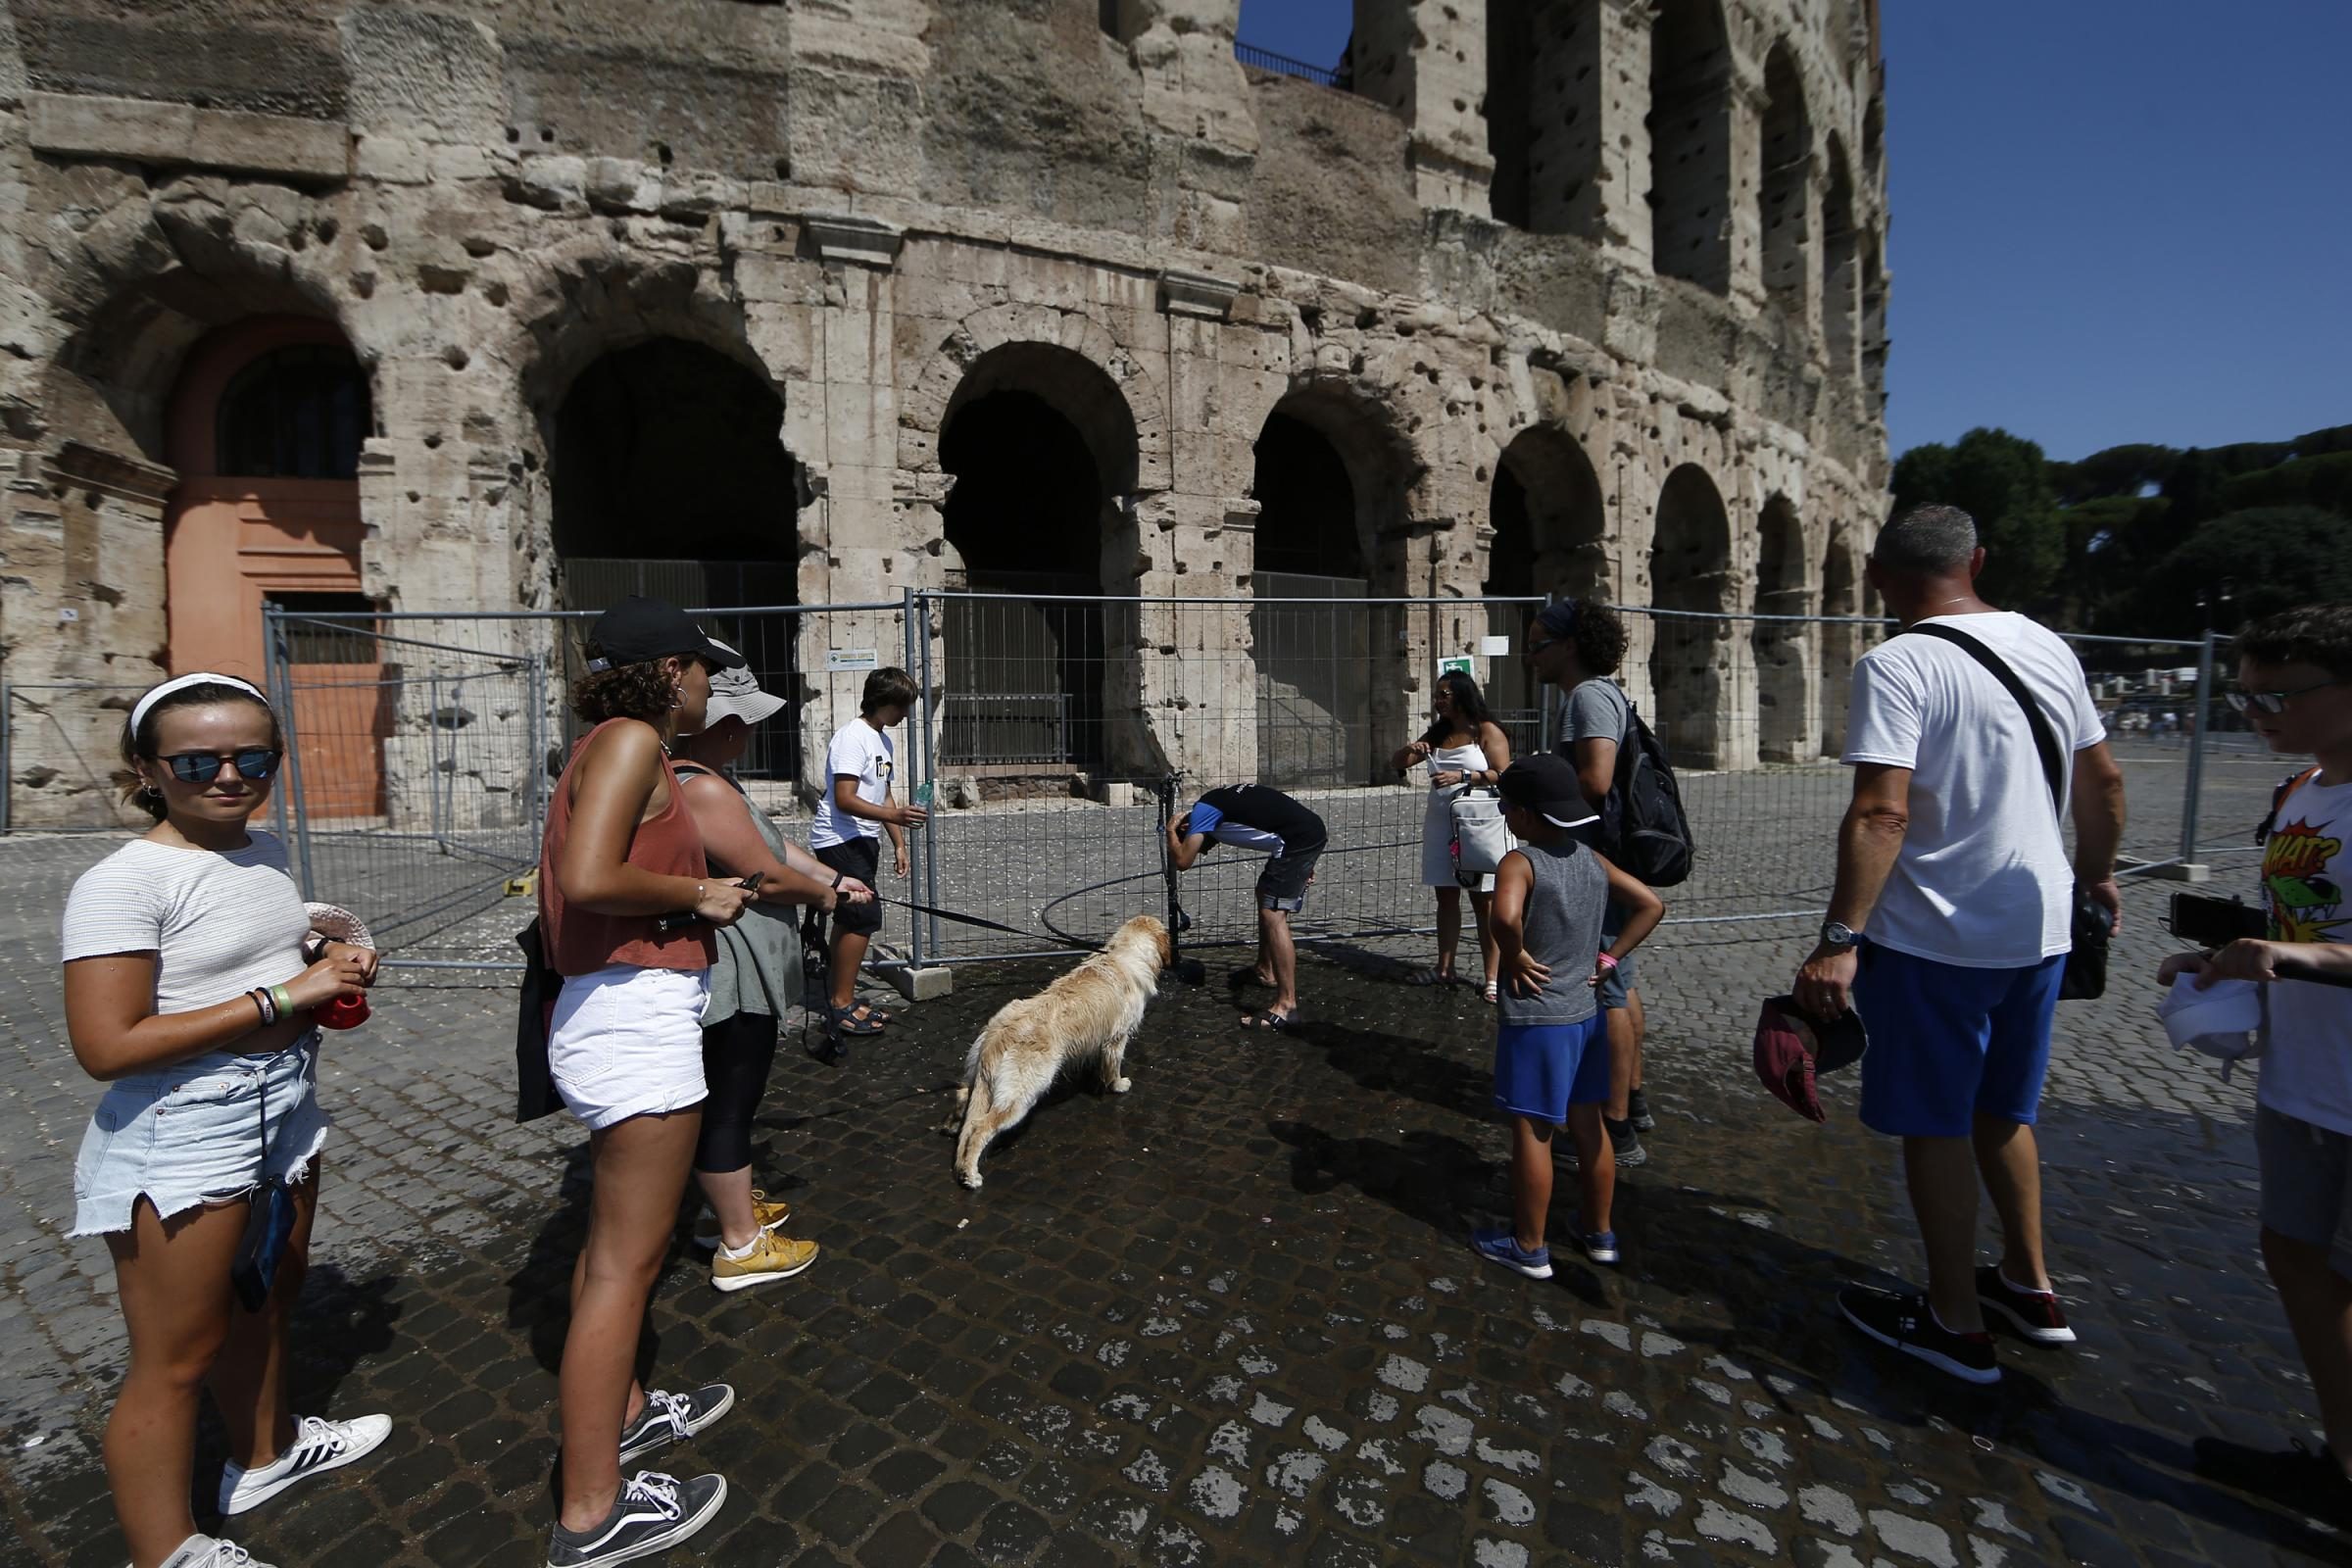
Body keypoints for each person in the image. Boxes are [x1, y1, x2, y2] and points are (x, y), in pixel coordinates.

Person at [1791, 505, 2126, 1386]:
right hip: (2040, 926)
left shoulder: (1898, 663)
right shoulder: (2049, 645)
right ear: (1979, 560)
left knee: (1934, 1124)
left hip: (1938, 935)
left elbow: (1882, 810)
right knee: (2004, 1112)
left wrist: (1838, 940)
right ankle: (2030, 1284)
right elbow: (2103, 780)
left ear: (1875, 577)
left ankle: (1953, 1320)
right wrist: (2094, 876)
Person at [61, 672, 386, 1568]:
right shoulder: (121, 883)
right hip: (185, 1124)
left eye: (254, 756)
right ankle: (164, 1551)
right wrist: (287, 990)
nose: (229, 775)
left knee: (268, 1297)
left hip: (281, 1101)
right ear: (147, 769)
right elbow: (109, 1043)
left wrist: (324, 953)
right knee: (176, 1356)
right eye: (198, 759)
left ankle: (265, 1456)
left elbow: (253, 951)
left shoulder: (263, 850)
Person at [537, 597, 755, 1565]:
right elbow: (590, 876)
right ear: (671, 671)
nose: (712, 684)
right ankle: (591, 1511)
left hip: (620, 1009)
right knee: (628, 1265)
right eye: (703, 668)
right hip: (630, 1013)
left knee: (614, 1247)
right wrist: (697, 892)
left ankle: (622, 1411)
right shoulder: (629, 740)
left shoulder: (618, 746)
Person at [2169, 605, 2352, 1519]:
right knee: (2296, 1257)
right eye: (2245, 698)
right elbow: (2301, 917)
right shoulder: (2304, 790)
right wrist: (2227, 954)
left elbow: (2315, 945)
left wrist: (2298, 958)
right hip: (2305, 1074)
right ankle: (2343, 1459)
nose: (2259, 712)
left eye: (2280, 693)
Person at [670, 643, 858, 1292]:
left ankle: (732, 1204)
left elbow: (778, 848)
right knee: (730, 1101)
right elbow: (768, 877)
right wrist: (829, 896)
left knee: (728, 1099)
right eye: (746, 719)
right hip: (733, 971)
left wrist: (834, 876)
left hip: (738, 963)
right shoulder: (702, 789)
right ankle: (740, 1246)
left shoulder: (711, 779)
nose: (753, 729)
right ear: (724, 723)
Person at [1471, 755, 1663, 1280]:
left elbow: (1504, 916)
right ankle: (1598, 1231)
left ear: (1526, 816)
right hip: (1588, 1013)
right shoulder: (1591, 858)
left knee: (1533, 1131)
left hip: (1539, 1019)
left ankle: (1529, 1245)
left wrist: (1512, 953)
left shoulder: (1521, 861)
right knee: (1590, 1126)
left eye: (1507, 806)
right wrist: (1609, 957)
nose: (1505, 813)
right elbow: (1650, 904)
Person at [1525, 598, 1654, 1165]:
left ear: (1569, 645)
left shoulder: (1587, 697)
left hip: (1595, 858)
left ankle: (1614, 1125)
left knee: (1606, 984)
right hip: (1598, 856)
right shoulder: (1593, 696)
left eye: (1537, 645)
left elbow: (1595, 781)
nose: (1530, 656)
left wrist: (1540, 784)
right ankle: (1633, 1097)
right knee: (1619, 980)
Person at [807, 666, 927, 1043]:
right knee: (862, 915)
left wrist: (899, 840)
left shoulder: (882, 741)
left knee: (851, 916)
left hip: (863, 839)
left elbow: (883, 794)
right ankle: (840, 1004)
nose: (905, 714)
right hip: (838, 838)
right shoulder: (852, 738)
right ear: (883, 702)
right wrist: (893, 816)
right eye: (902, 706)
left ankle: (842, 996)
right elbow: (844, 799)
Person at [1166, 782, 1328, 1030]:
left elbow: (1183, 861)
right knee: (1265, 892)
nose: (1204, 852)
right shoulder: (1217, 800)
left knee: (1273, 913)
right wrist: (1303, 861)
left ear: (1187, 828)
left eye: (1199, 846)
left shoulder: (1200, 815)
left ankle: (1287, 1007)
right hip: (1305, 832)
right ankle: (1266, 970)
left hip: (1298, 840)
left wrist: (1170, 833)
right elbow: (1276, 809)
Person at [1391, 669, 1512, 995]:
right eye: (1437, 694)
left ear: (1462, 695)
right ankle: (1445, 968)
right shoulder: (1438, 733)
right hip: (1441, 822)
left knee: (1483, 900)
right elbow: (1397, 762)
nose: (1438, 700)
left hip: (1476, 824)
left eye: (1444, 694)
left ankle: (1492, 977)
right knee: (1445, 895)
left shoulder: (1485, 731)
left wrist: (1462, 776)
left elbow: (1502, 774)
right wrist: (1410, 750)